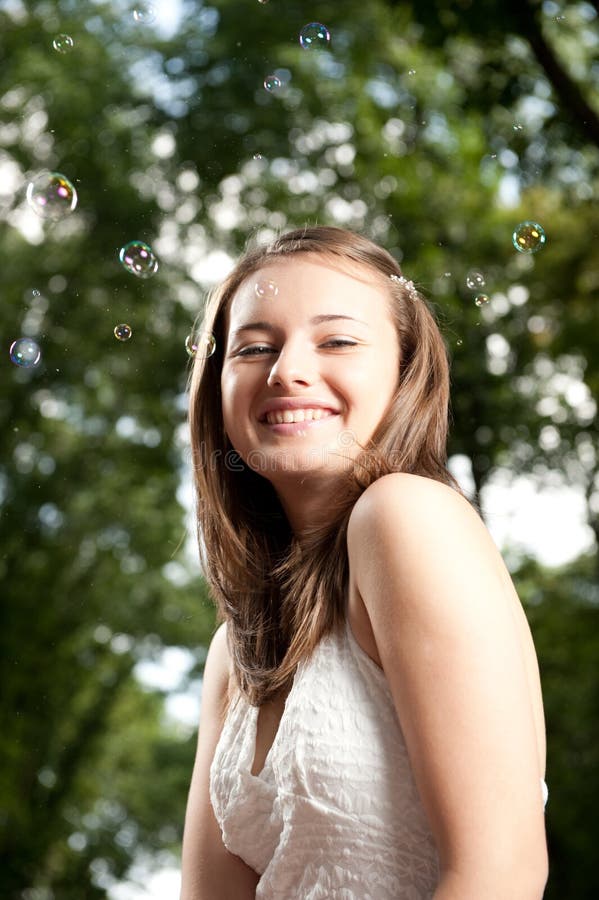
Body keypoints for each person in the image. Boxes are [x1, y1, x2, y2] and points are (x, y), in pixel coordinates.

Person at [179, 225, 549, 899]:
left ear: (404, 371)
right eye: (254, 346)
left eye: (337, 340)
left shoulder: (405, 515)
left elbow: (501, 872)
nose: (286, 369)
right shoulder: (234, 651)